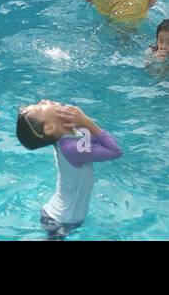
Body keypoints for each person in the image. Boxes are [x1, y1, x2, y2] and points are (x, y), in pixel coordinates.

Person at [16, 100, 123, 239]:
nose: (45, 101)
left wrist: (80, 122)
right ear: (49, 128)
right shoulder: (73, 148)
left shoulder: (66, 139)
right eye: (41, 106)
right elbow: (115, 151)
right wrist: (87, 122)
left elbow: (98, 142)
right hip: (61, 221)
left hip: (60, 216)